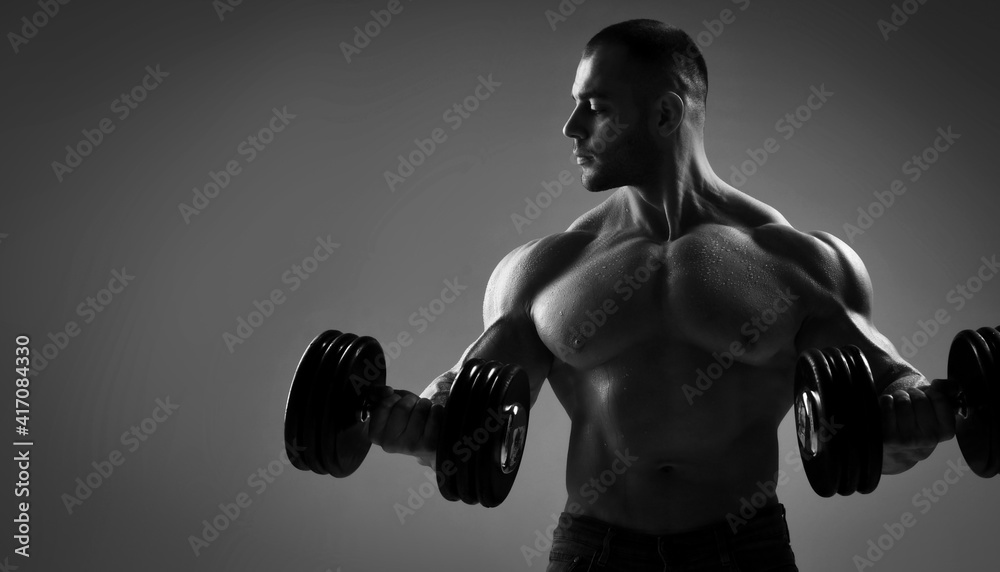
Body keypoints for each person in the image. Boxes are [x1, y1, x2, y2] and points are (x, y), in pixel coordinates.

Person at [364, 19, 955, 571]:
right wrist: (401, 425)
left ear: (666, 114)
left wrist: (924, 414)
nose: (571, 127)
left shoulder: (798, 261)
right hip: (593, 550)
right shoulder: (544, 268)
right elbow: (466, 427)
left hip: (744, 550)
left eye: (595, 108)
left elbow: (882, 428)